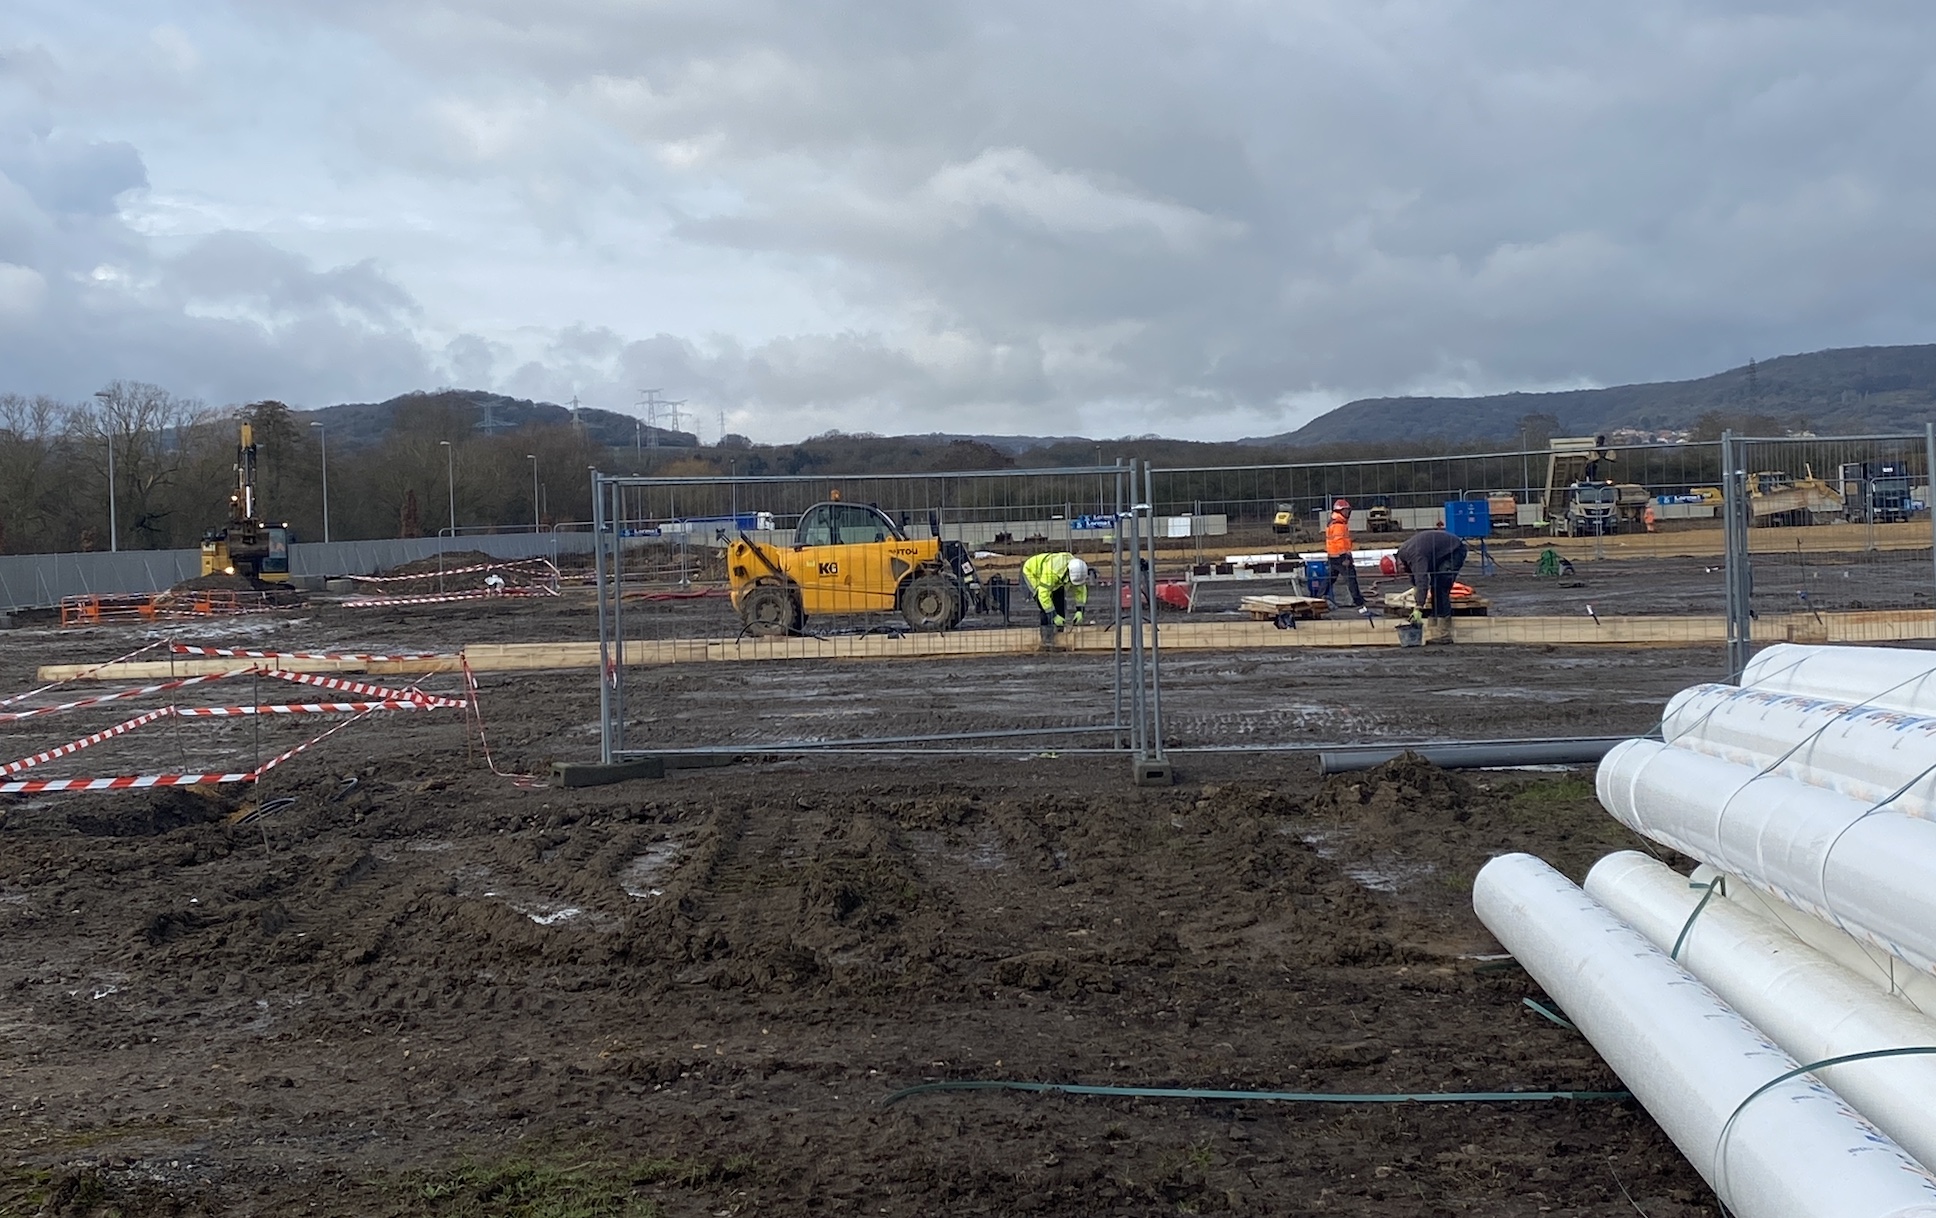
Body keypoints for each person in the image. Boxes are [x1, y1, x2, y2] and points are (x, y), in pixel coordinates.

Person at [1390, 528, 1468, 644]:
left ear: (1398, 563)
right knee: (1435, 588)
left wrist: (1419, 607)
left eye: (1399, 571)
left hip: (1454, 551)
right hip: (1441, 555)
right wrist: (1418, 599)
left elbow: (1422, 580)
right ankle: (1433, 629)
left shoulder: (1414, 555)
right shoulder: (1404, 555)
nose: (1401, 573)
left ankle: (1444, 634)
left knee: (1441, 588)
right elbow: (1416, 581)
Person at [1323, 498, 1374, 619]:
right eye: (1346, 511)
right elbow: (1340, 542)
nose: (1348, 513)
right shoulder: (1339, 525)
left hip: (1333, 556)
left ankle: (1320, 595)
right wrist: (1345, 557)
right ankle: (1359, 604)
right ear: (1340, 511)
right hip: (1341, 557)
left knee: (1330, 578)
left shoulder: (1333, 522)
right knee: (1351, 580)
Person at [1021, 551, 1090, 628]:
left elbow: (1080, 589)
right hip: (1033, 573)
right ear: (1068, 573)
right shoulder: (1052, 572)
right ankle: (1046, 634)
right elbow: (1043, 594)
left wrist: (1080, 610)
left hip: (1055, 576)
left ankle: (1059, 632)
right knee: (1044, 606)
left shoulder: (1077, 570)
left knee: (1059, 601)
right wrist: (1053, 615)